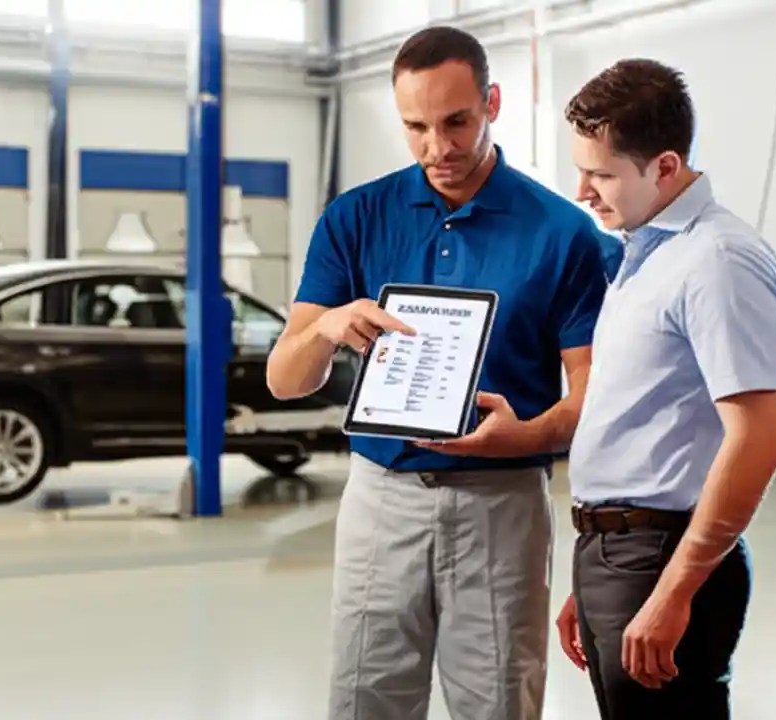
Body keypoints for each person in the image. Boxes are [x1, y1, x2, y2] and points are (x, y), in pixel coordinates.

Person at [265, 25, 611, 720]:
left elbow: (593, 393)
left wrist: (527, 438)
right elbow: (284, 378)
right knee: (366, 698)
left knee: (498, 703)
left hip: (503, 502)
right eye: (416, 127)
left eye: (457, 122)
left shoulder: (561, 233)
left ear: (493, 102)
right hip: (379, 499)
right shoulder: (354, 219)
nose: (437, 148)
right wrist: (327, 327)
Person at [554, 58, 776, 720]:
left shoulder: (717, 259)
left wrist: (671, 590)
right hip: (620, 556)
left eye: (601, 174)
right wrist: (595, 569)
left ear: (663, 166)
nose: (583, 191)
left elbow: (760, 437)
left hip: (659, 556)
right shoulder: (646, 254)